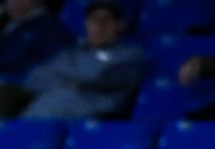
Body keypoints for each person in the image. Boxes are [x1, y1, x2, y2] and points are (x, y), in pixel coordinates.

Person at [19, 0, 150, 120]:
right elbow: (34, 78)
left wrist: (72, 81)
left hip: (90, 118)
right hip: (43, 113)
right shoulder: (71, 53)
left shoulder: (130, 55)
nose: (99, 26)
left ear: (120, 25)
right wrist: (68, 84)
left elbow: (105, 78)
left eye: (106, 20)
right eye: (94, 20)